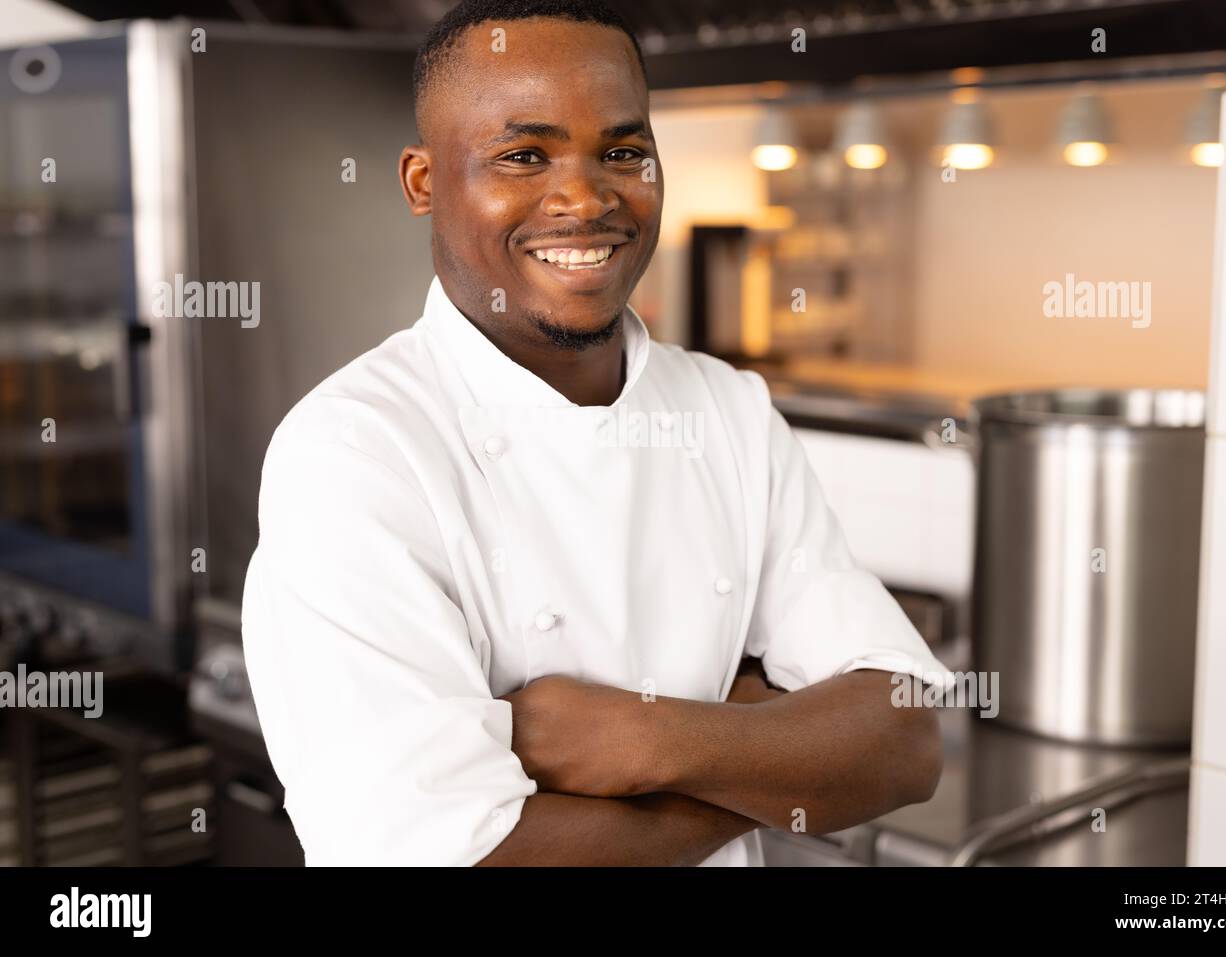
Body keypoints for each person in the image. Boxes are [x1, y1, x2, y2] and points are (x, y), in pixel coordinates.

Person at [241, 0, 955, 866]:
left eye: (622, 152)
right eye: (524, 154)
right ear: (423, 181)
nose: (585, 197)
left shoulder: (726, 410)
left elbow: (909, 737)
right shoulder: (355, 451)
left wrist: (646, 741)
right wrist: (762, 743)